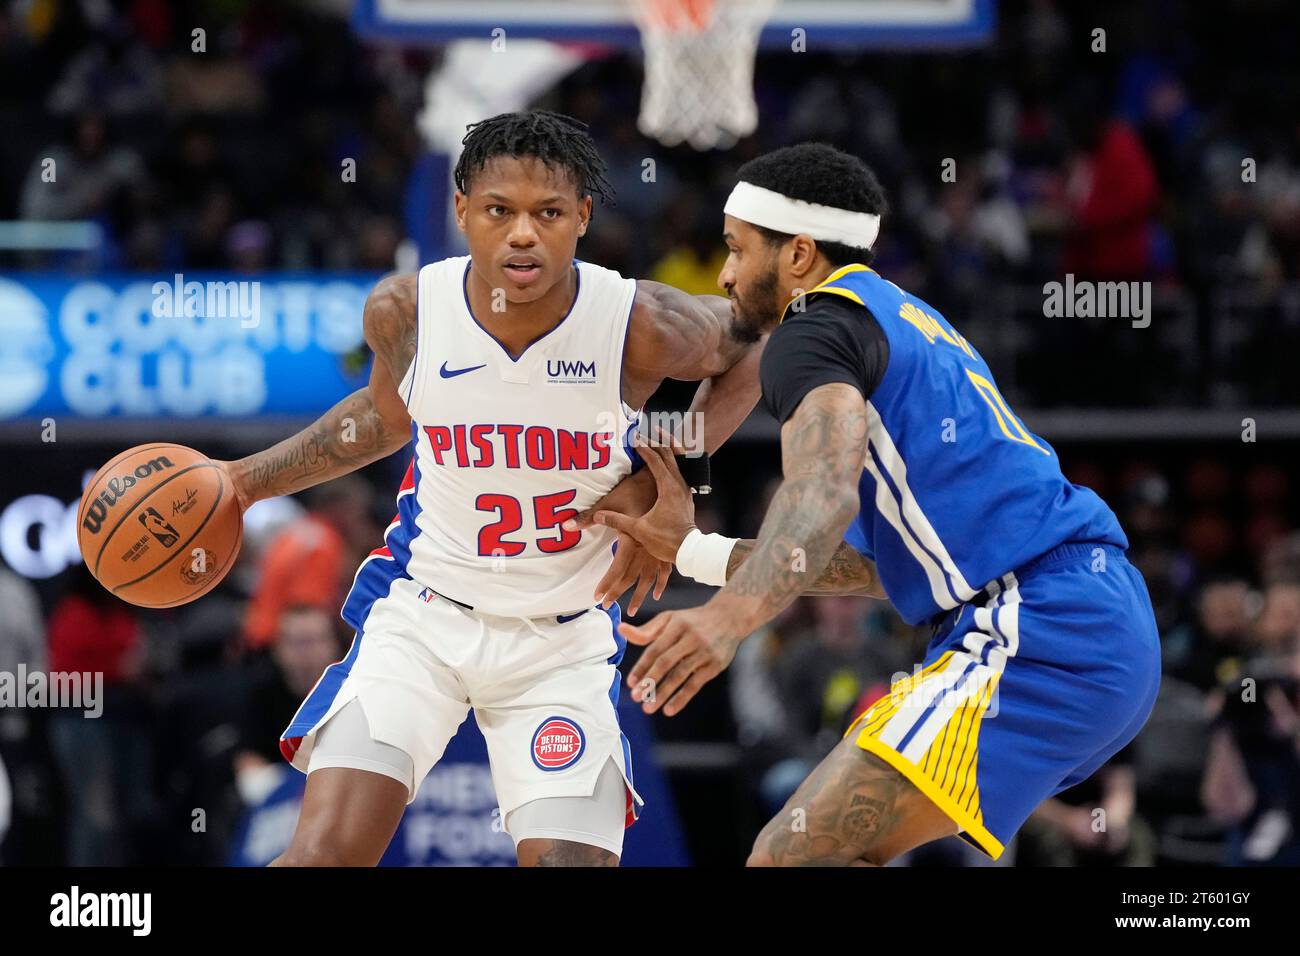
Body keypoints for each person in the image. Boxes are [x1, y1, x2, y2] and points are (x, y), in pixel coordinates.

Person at [213, 110, 764, 866]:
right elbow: (381, 421)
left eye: (548, 213)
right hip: (424, 618)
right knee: (323, 856)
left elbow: (758, 344)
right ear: (463, 211)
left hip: (560, 639)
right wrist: (241, 482)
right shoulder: (406, 311)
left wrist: (669, 472)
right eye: (499, 211)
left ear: (583, 218)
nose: (523, 234)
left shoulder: (639, 323)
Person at [590, 142, 1162, 866]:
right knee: (833, 855)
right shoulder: (904, 318)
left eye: (737, 250)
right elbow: (877, 569)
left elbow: (819, 495)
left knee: (789, 857)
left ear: (798, 255)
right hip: (1093, 622)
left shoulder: (813, 328)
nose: (726, 273)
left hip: (1040, 624)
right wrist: (696, 552)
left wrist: (725, 621)